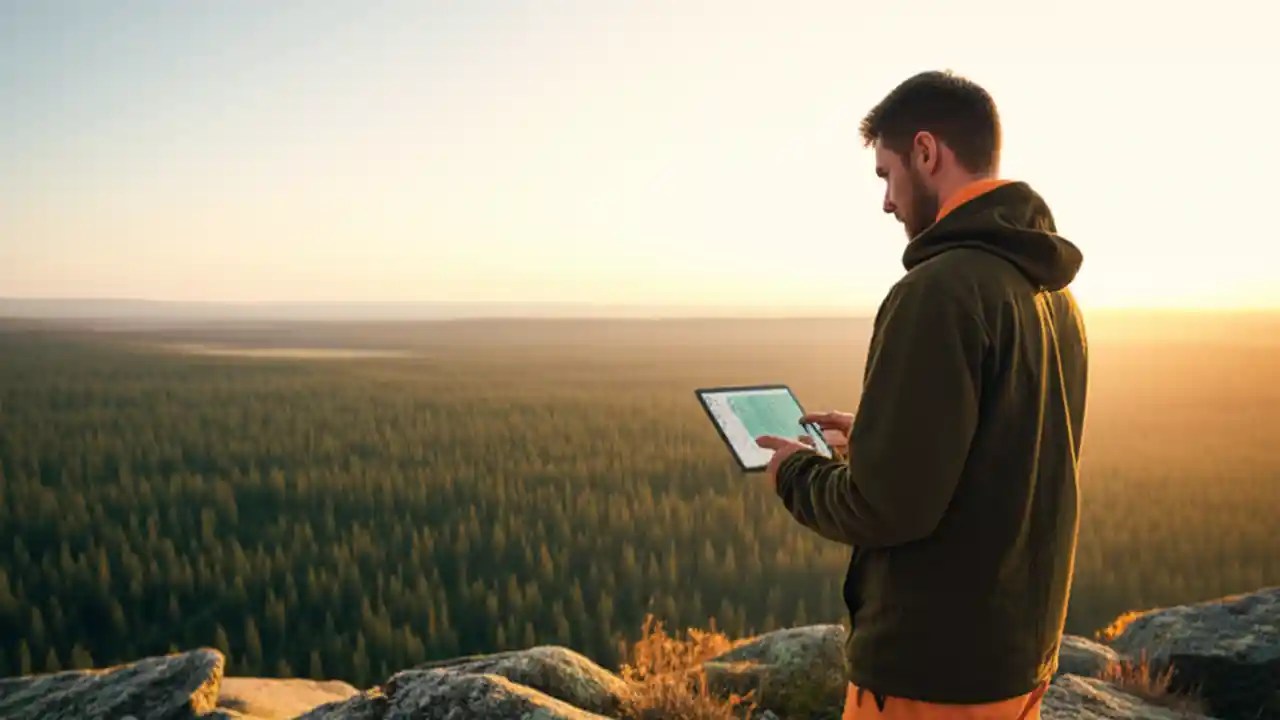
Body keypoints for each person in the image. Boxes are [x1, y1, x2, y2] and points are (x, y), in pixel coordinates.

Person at [755, 70, 1088, 720]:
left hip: (930, 676)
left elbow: (884, 509)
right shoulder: (1054, 296)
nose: (885, 200)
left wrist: (794, 473)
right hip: (1019, 667)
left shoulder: (938, 292)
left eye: (886, 173)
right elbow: (1010, 447)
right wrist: (884, 434)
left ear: (927, 153)